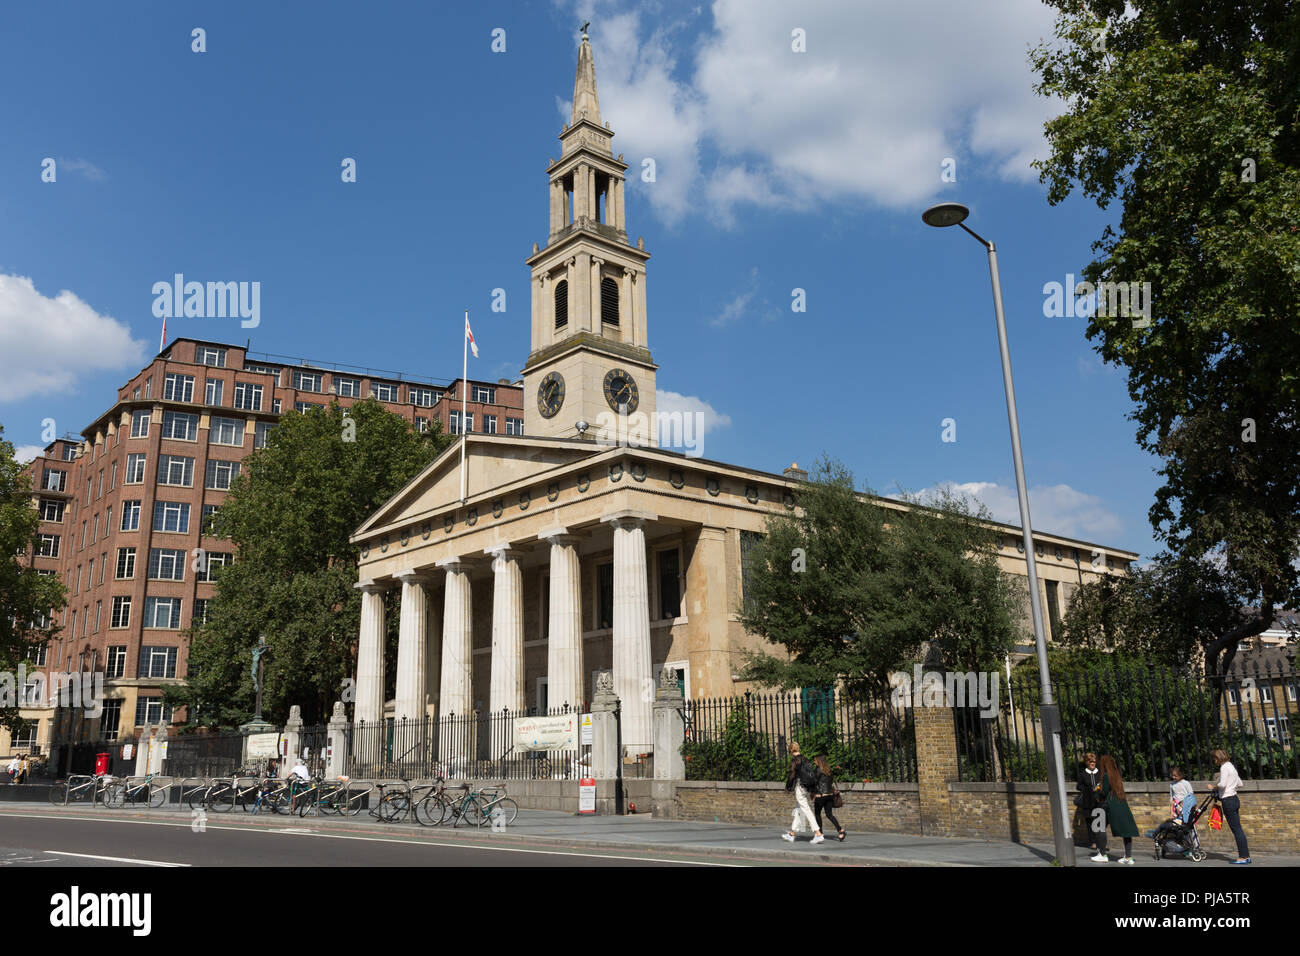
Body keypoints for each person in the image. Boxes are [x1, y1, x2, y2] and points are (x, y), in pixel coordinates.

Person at [1093, 754, 1139, 863]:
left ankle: (1103, 855)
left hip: (1108, 805)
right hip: (1121, 804)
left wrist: (1096, 790)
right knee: (1126, 830)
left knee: (1100, 827)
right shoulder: (1117, 775)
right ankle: (1128, 857)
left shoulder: (1105, 776)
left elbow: (1103, 792)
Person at [1210, 749, 1250, 864]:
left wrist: (1212, 787)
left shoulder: (1223, 767)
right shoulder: (1231, 766)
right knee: (1238, 829)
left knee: (1236, 830)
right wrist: (1231, 788)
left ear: (1219, 758)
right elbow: (1240, 784)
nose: (1214, 760)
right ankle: (1245, 856)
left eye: (1215, 758)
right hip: (1235, 799)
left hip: (1228, 801)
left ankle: (1243, 857)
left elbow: (1222, 784)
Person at [780, 742, 823, 844]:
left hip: (800, 787)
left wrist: (788, 787)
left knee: (806, 810)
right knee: (799, 810)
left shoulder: (796, 761)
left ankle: (818, 834)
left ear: (790, 750)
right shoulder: (806, 759)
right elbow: (811, 775)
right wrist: (813, 790)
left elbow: (792, 774)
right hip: (807, 788)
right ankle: (791, 834)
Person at [811, 754, 845, 842]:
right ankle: (840, 830)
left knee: (818, 814)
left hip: (820, 796)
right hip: (829, 795)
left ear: (819, 761)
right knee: (829, 815)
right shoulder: (829, 770)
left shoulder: (817, 770)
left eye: (815, 760)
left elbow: (814, 783)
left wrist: (812, 793)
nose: (814, 762)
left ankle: (820, 833)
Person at [1075, 752, 1103, 851]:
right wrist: (1088, 789)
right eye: (1091, 762)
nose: (1093, 763)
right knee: (1090, 823)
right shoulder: (1083, 774)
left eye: (1094, 761)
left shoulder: (1099, 773)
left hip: (1099, 800)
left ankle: (1102, 842)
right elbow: (1078, 786)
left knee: (1100, 822)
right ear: (1087, 762)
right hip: (1087, 801)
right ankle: (1093, 842)